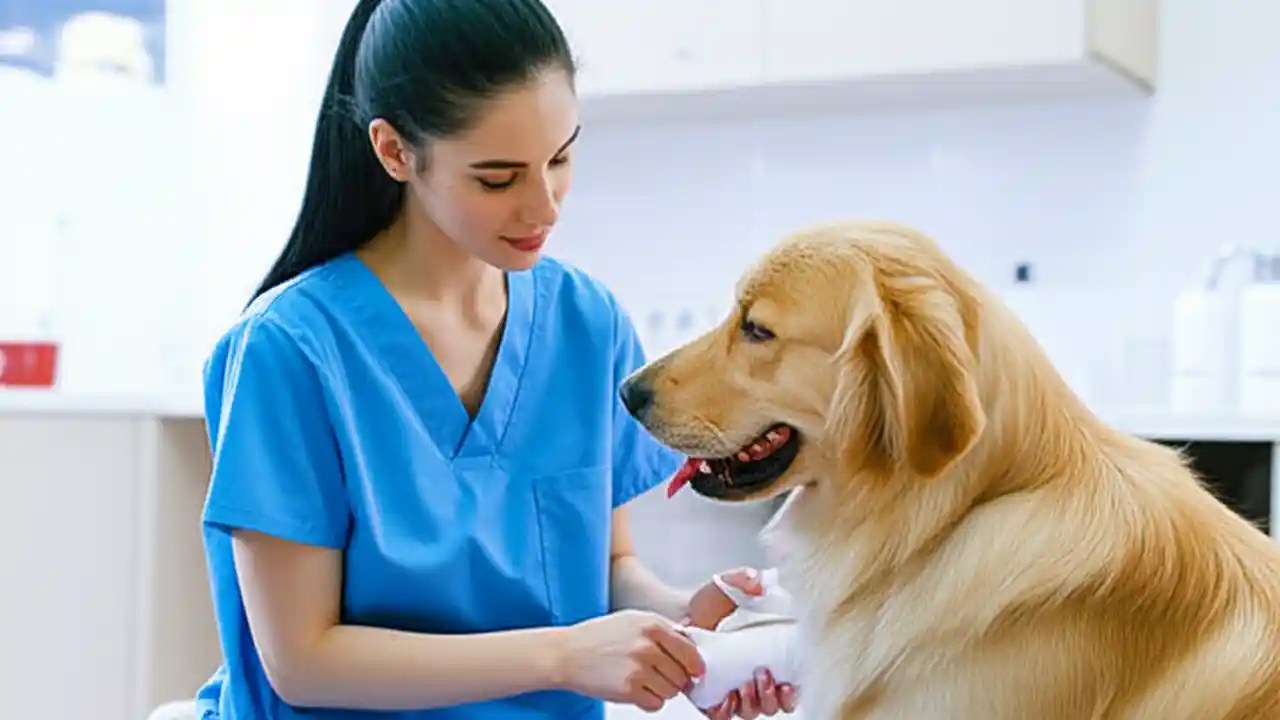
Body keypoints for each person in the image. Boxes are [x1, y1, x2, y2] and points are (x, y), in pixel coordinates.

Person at [192, 1, 800, 719]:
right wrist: (565, 655)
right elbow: (303, 660)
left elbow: (602, 569)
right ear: (393, 152)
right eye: (498, 178)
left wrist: (685, 623)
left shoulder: (586, 323)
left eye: (561, 158)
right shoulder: (290, 350)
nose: (544, 206)